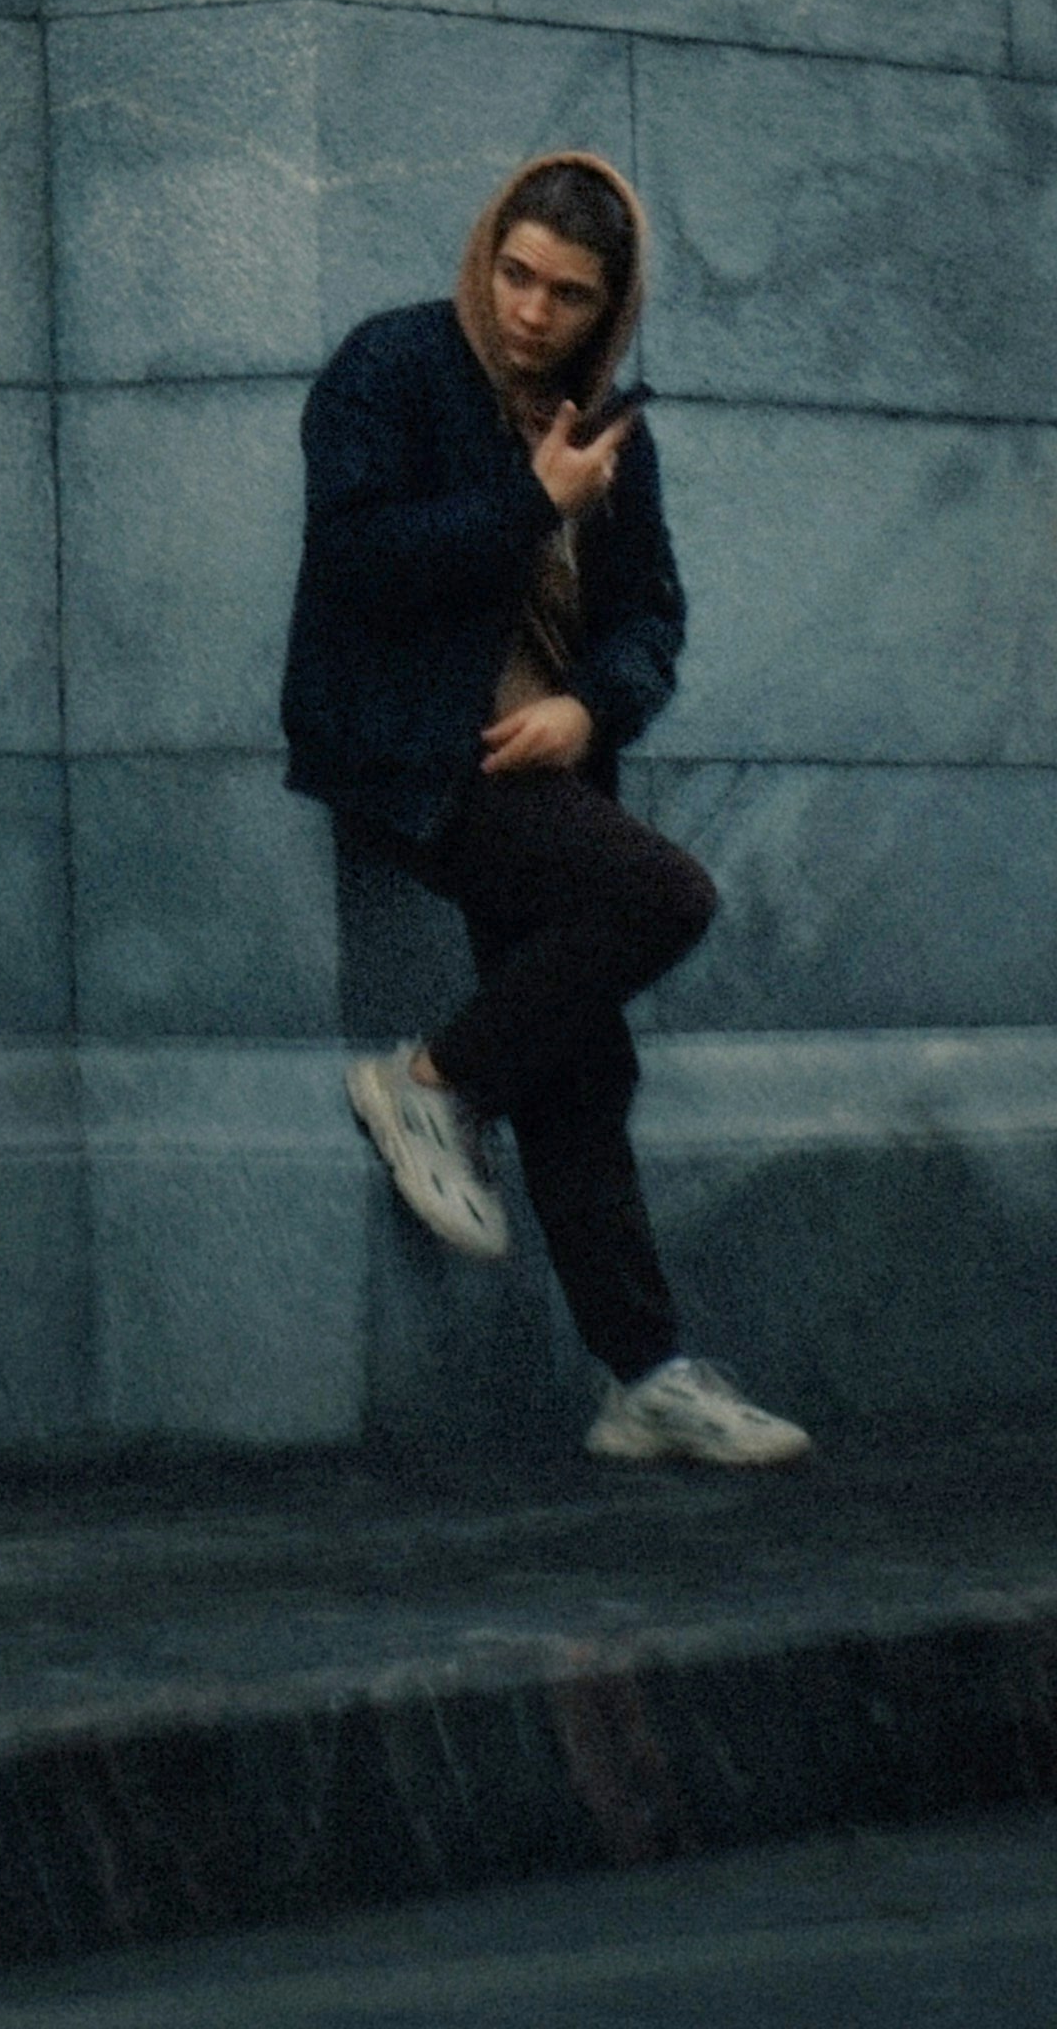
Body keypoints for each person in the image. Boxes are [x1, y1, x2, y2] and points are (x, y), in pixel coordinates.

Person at [281, 145, 809, 1467]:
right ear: (484, 258)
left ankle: (647, 1380)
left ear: (606, 305)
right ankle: (431, 1084)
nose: (531, 312)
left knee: (582, 1070)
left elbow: (648, 618)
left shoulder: (613, 429)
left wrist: (590, 709)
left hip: (547, 765)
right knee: (666, 895)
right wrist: (530, 501)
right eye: (515, 275)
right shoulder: (391, 369)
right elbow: (355, 565)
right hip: (418, 751)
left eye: (567, 294)